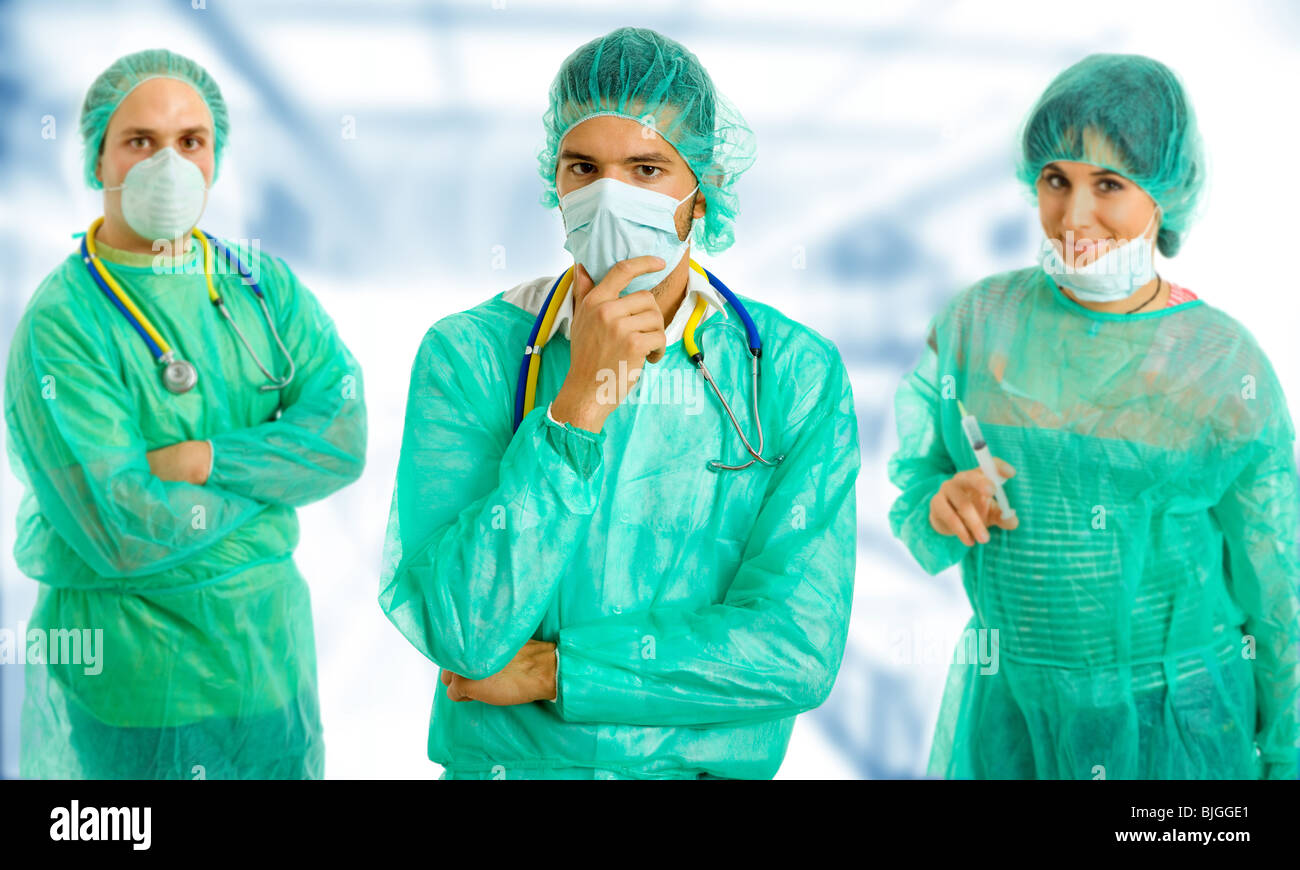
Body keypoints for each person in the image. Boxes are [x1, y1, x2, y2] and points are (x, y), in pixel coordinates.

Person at [379, 26, 861, 779]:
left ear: (702, 186)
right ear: (557, 183)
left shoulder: (791, 374)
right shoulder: (471, 355)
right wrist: (576, 409)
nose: (611, 196)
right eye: (584, 168)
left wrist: (556, 672)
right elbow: (466, 634)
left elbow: (794, 651)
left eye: (646, 168)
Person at [888, 53, 1299, 779]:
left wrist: (1288, 752)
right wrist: (941, 504)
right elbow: (920, 478)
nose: (1074, 217)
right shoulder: (978, 324)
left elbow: (1280, 591)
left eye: (1108, 183)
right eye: (1056, 180)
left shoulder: (1220, 362)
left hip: (1180, 730)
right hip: (1013, 713)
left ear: (1164, 192)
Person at [4, 49, 367, 779]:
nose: (166, 164)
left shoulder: (261, 286)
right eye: (140, 141)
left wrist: (205, 461)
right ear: (95, 157)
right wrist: (271, 486)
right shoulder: (63, 323)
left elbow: (344, 437)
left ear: (215, 158)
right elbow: (120, 529)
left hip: (269, 661)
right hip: (135, 676)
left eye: (190, 142)